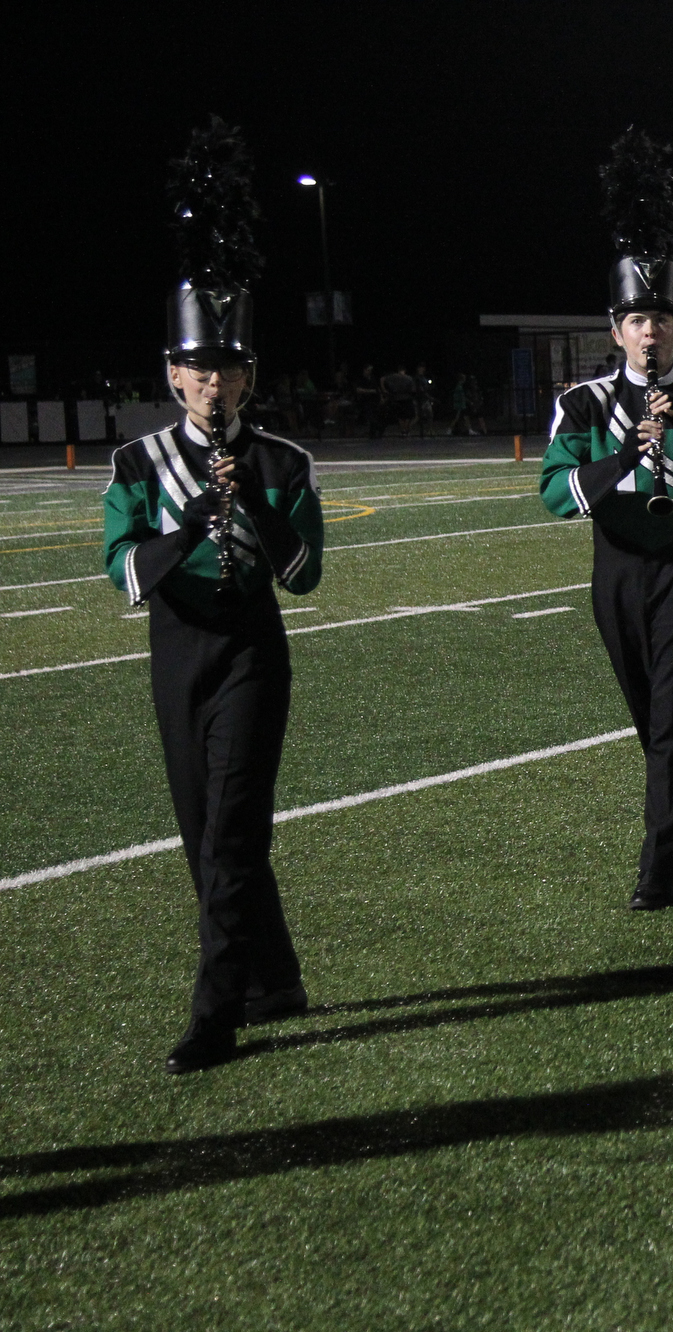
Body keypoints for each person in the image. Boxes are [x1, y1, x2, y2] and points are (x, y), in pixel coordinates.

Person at [103, 120, 324, 1075]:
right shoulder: (137, 462)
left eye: (227, 370)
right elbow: (123, 574)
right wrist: (189, 522)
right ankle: (276, 979)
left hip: (250, 649)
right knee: (203, 833)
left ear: (248, 376)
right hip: (174, 647)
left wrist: (254, 507)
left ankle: (218, 1010)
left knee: (233, 829)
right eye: (196, 370)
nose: (211, 384)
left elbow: (306, 573)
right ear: (171, 373)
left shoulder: (281, 459)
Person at [540, 127, 673, 910]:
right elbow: (559, 494)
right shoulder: (585, 403)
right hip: (619, 570)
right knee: (651, 719)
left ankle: (658, 859)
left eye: (663, 318)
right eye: (637, 319)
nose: (651, 330)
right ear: (616, 330)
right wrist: (629, 453)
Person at [381, 364, 417, 436]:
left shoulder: (393, 377)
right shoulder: (409, 378)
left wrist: (384, 389)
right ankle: (406, 430)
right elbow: (413, 389)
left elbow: (382, 379)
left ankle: (403, 430)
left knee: (400, 416)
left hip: (397, 398)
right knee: (407, 416)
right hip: (407, 397)